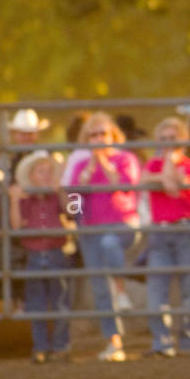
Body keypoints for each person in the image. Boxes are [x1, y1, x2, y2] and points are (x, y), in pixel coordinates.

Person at [66, 112, 139, 362]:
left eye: (102, 134)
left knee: (110, 243)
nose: (98, 139)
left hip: (121, 225)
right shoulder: (79, 166)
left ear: (112, 136)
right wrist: (81, 184)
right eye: (93, 135)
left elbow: (127, 186)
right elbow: (73, 204)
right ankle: (114, 342)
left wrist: (104, 165)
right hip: (90, 229)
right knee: (99, 288)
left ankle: (121, 290)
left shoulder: (125, 159)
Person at [140, 117, 190, 358]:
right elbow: (152, 182)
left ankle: (189, 343)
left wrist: (166, 173)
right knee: (156, 291)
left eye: (174, 139)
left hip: (188, 229)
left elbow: (176, 188)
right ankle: (162, 343)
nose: (169, 144)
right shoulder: (153, 164)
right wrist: (168, 173)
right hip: (161, 231)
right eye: (164, 139)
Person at [10, 150, 70, 363]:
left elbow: (71, 211)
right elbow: (16, 227)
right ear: (31, 176)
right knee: (36, 303)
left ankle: (60, 346)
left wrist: (61, 191)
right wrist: (14, 201)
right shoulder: (26, 199)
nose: (45, 175)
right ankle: (41, 347)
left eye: (49, 171)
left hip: (55, 251)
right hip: (34, 253)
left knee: (60, 300)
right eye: (40, 171)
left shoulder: (56, 195)